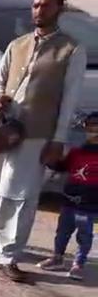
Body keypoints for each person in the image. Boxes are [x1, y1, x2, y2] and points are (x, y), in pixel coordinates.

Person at [0, 0, 88, 282]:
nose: (39, 11)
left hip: (36, 134)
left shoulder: (71, 50)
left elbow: (69, 100)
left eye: (46, 6)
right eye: (36, 5)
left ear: (59, 10)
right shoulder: (18, 44)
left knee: (19, 194)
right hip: (3, 130)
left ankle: (9, 255)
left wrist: (58, 140)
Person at [38, 116, 98, 280]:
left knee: (84, 236)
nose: (92, 131)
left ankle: (78, 264)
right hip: (69, 201)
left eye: (96, 127)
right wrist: (51, 161)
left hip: (89, 205)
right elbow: (63, 166)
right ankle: (57, 258)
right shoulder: (77, 152)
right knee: (62, 232)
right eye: (89, 127)